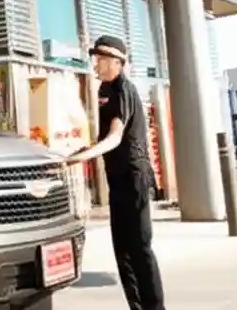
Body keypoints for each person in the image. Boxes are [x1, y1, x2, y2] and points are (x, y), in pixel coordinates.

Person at [66, 35, 166, 310]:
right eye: (94, 59)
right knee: (122, 251)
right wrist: (84, 149)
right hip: (117, 177)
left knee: (140, 248)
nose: (95, 64)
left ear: (115, 62)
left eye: (99, 59)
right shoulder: (104, 89)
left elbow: (115, 136)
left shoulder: (124, 89)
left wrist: (85, 155)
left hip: (134, 176)